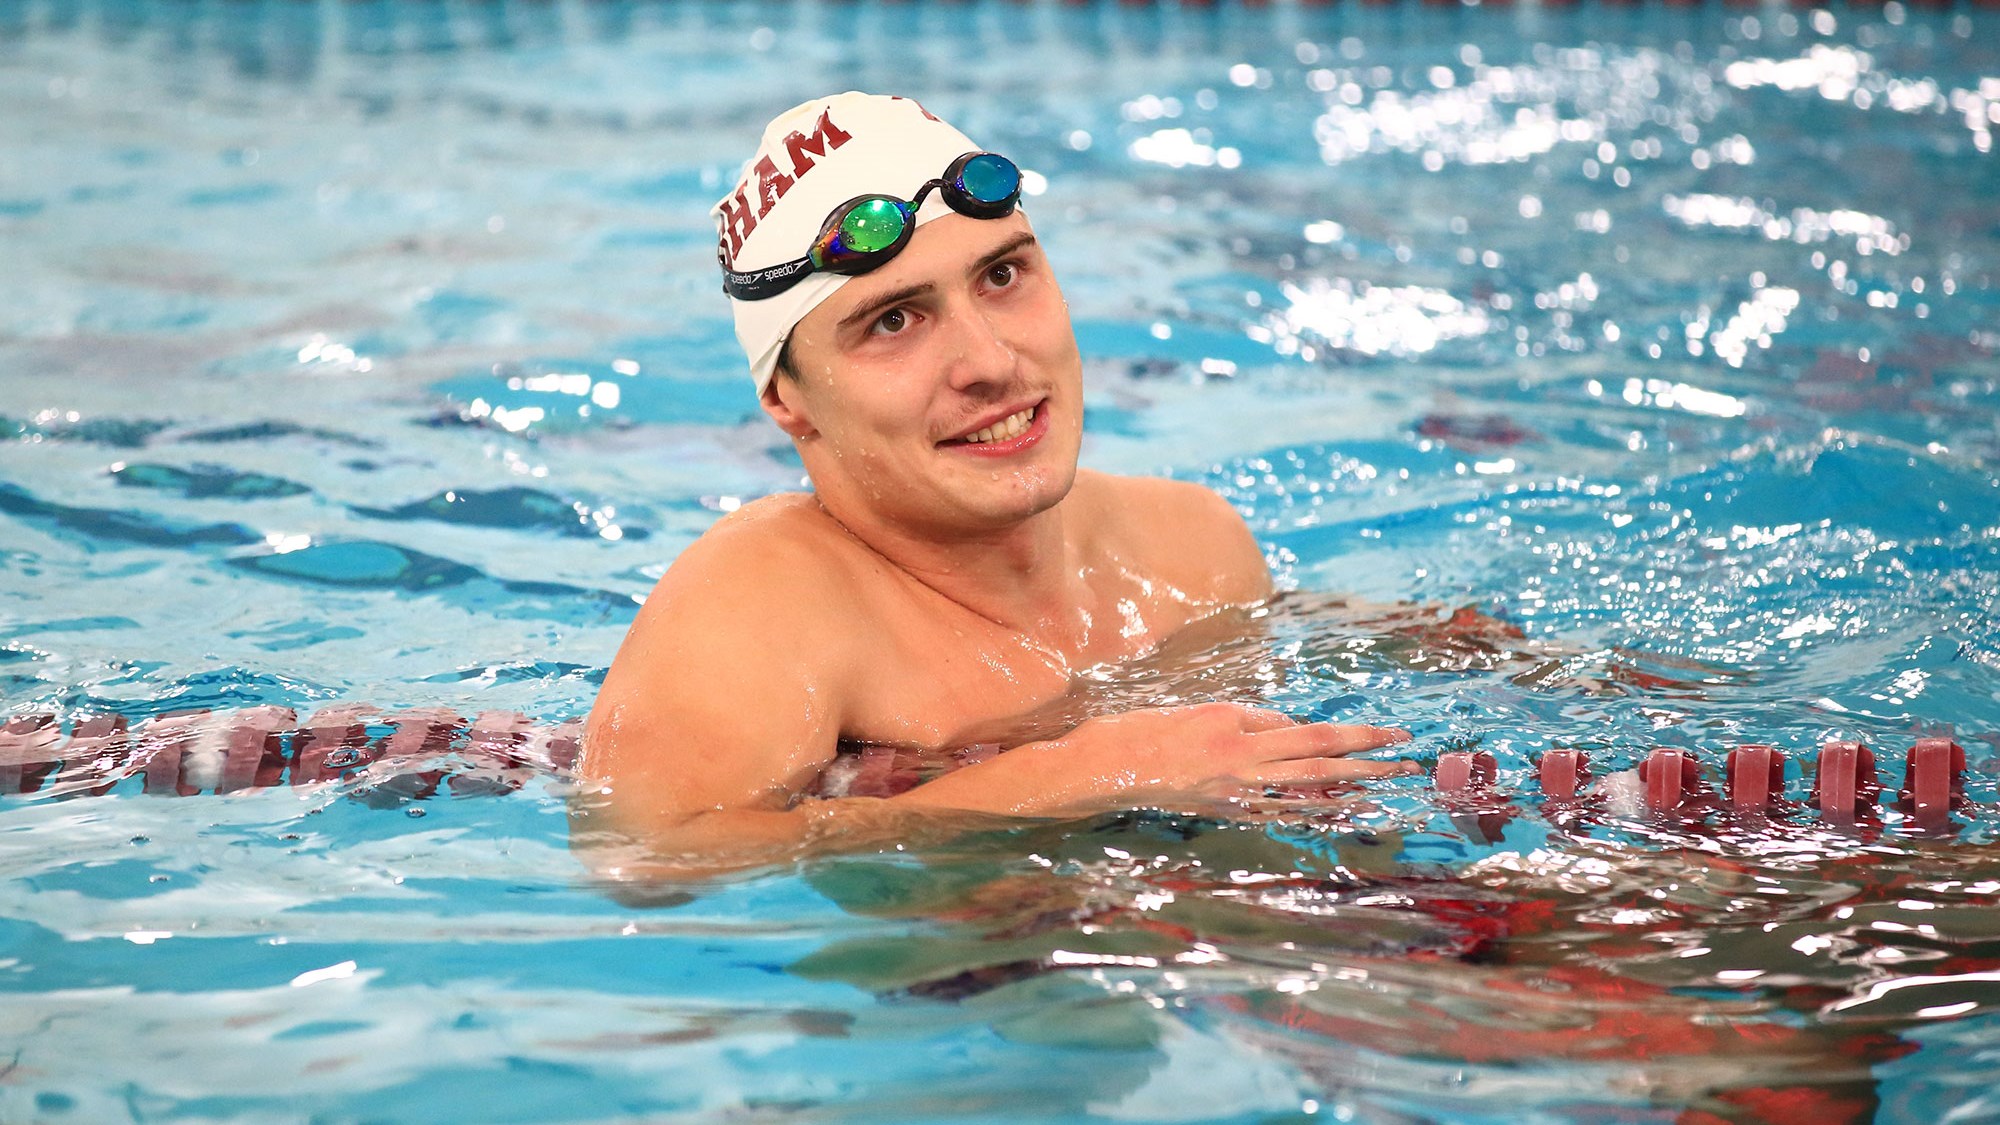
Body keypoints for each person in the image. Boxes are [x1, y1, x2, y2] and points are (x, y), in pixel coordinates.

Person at [580, 93, 1414, 877]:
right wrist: (1084, 773)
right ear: (787, 401)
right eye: (894, 321)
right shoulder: (763, 604)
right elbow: (644, 854)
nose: (990, 364)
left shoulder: (1194, 548)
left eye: (1002, 277)